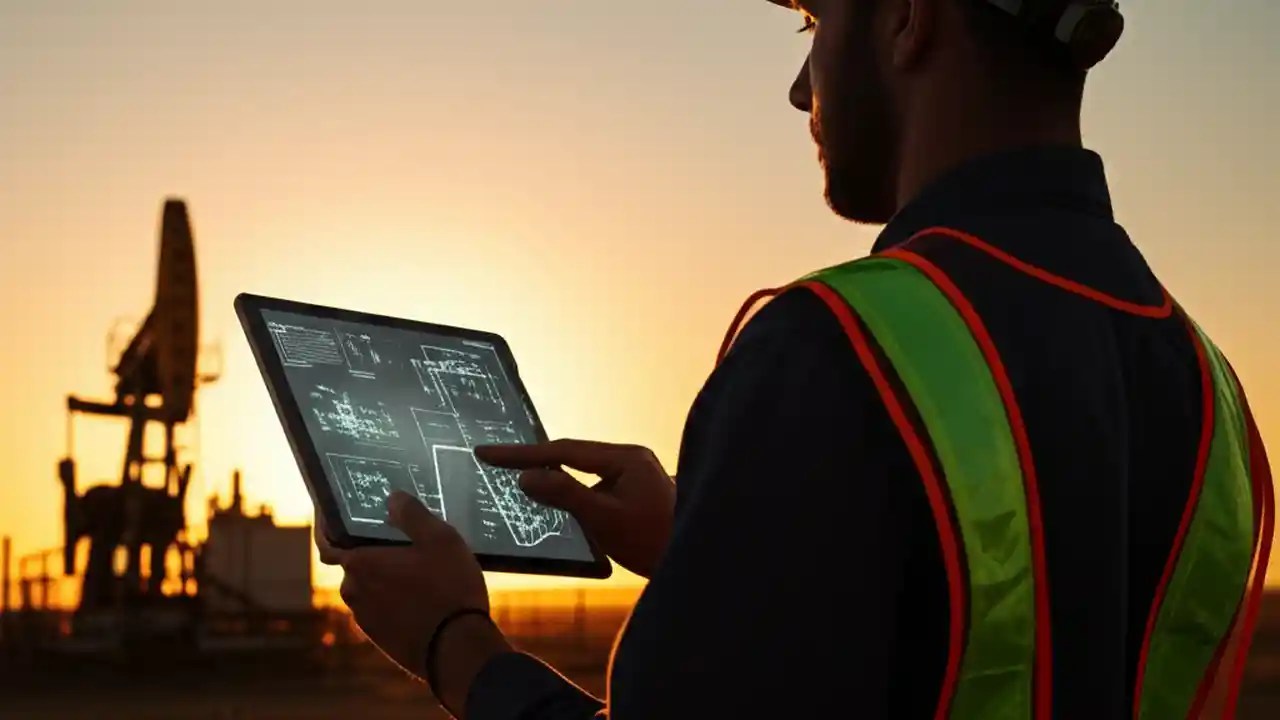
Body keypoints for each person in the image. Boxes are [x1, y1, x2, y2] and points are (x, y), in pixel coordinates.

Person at [317, 1, 1275, 718]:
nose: (800, 87)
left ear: (907, 18)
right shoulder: (1207, 383)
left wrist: (454, 645)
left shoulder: (841, 348)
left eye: (814, 22)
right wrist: (711, 546)